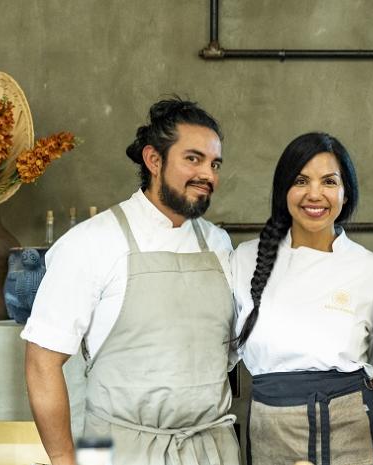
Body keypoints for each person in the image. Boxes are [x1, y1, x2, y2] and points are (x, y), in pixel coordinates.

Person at [22, 97, 240, 465]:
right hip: (116, 449)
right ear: (153, 160)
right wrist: (63, 460)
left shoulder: (218, 244)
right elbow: (41, 362)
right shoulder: (90, 243)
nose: (209, 175)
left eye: (214, 163)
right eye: (193, 159)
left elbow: (224, 354)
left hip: (212, 448)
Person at [231, 132, 373, 465]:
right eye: (301, 180)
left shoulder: (372, 270)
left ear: (347, 194)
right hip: (270, 430)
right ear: (283, 190)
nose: (315, 194)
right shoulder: (243, 260)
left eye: (329, 181)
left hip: (350, 429)